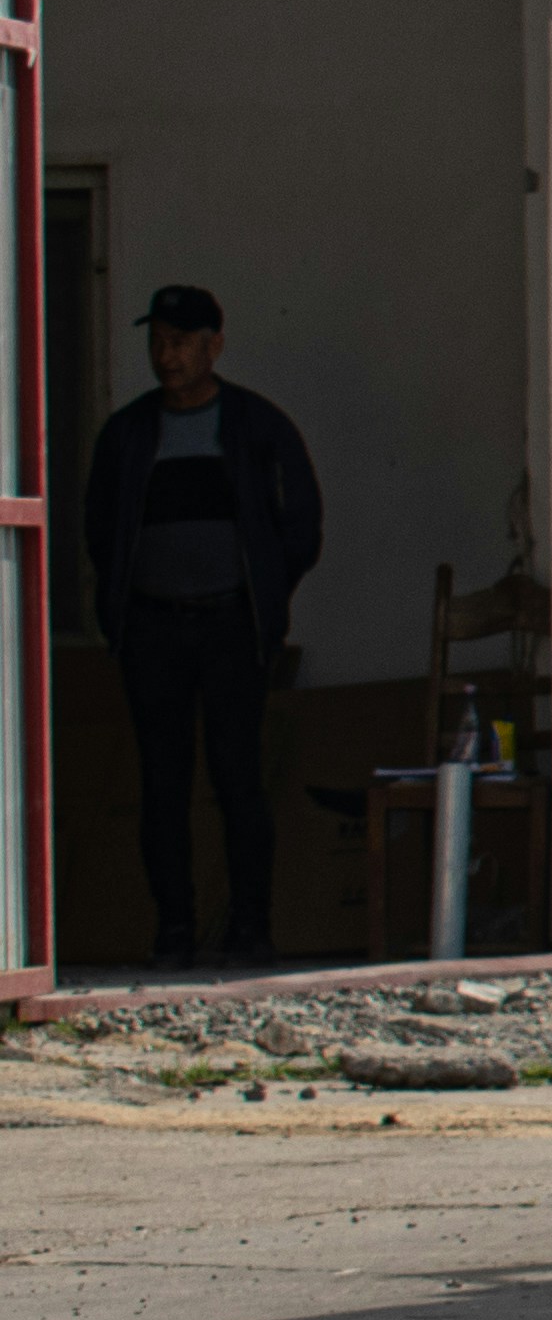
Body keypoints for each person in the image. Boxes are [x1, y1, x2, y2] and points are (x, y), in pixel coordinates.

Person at [83, 287, 324, 967]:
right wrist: (126, 611)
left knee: (237, 780)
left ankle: (251, 929)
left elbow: (300, 528)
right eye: (158, 339)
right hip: (153, 630)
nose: (168, 355)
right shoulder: (129, 433)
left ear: (214, 346)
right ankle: (175, 932)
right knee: (161, 785)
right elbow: (101, 531)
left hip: (230, 628)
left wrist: (262, 596)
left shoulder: (256, 426)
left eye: (183, 341)